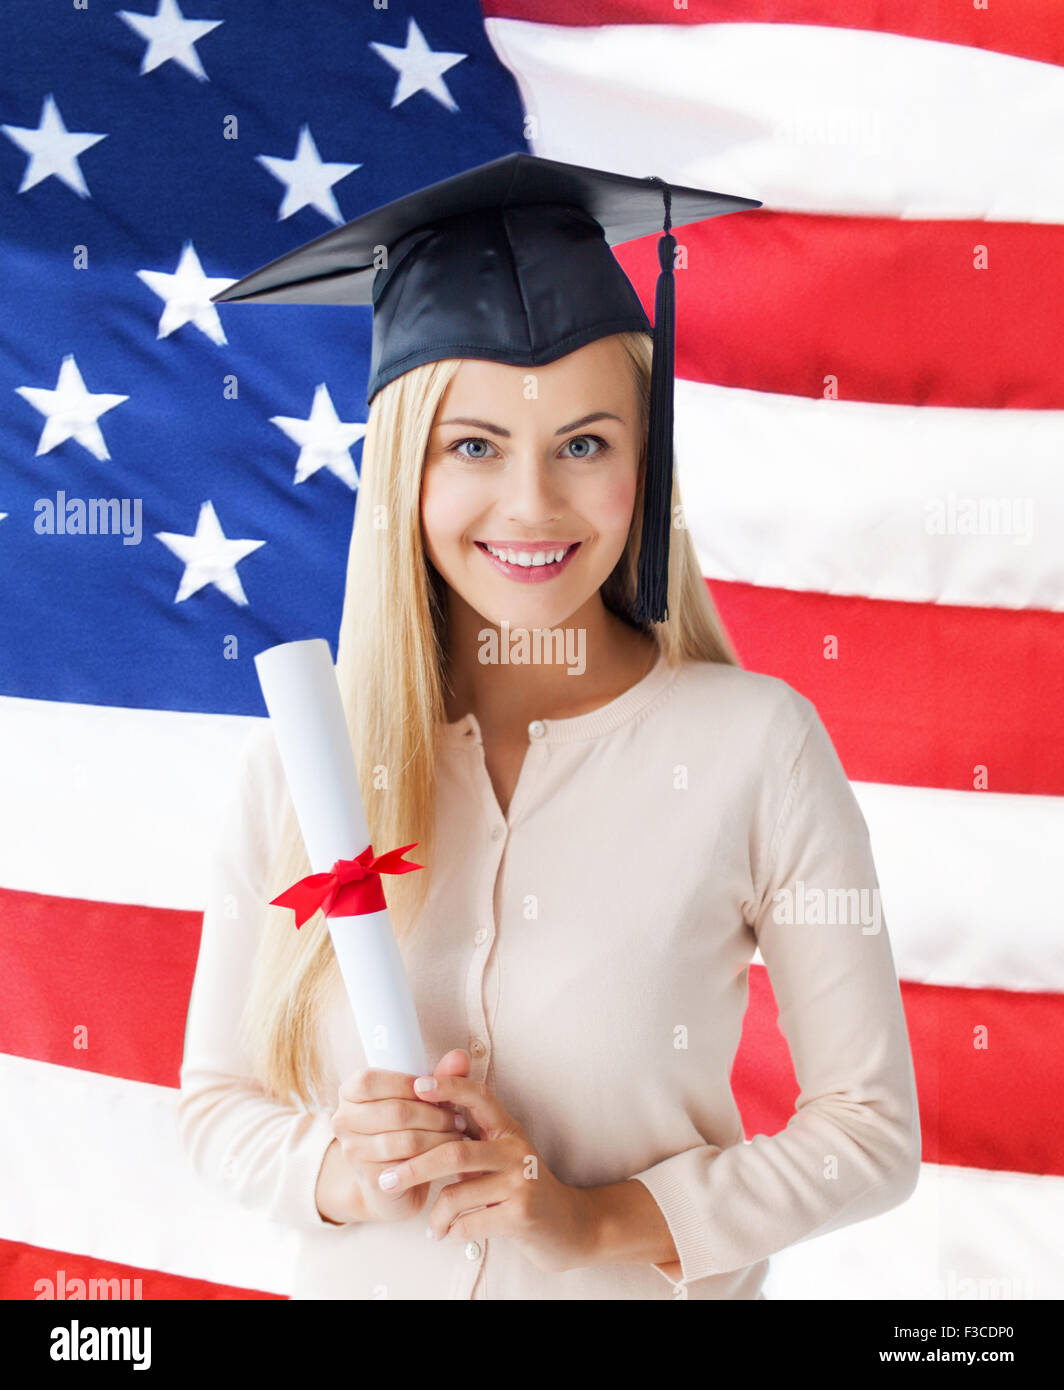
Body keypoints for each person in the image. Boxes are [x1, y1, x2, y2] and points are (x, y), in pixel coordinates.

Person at [178, 154, 921, 1300]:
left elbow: (867, 1133)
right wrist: (348, 1169)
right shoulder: (299, 760)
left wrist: (598, 1219)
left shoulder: (752, 748)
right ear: (404, 474)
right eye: (472, 445)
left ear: (643, 462)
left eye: (584, 443)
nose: (531, 504)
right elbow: (217, 1108)